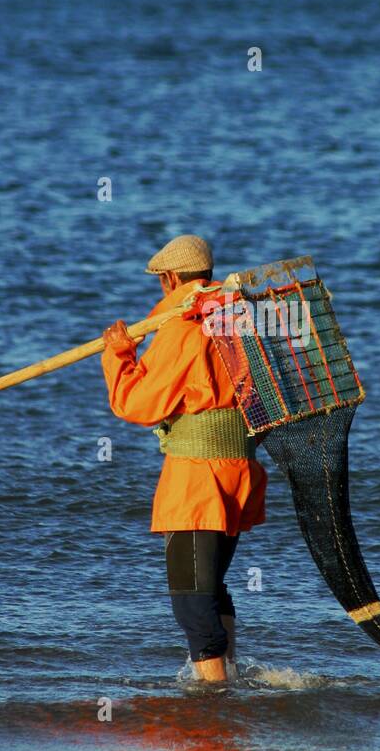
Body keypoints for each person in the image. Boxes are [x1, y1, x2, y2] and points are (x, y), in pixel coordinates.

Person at [101, 235, 267, 683]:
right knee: (210, 588)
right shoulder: (237, 316)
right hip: (239, 472)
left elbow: (137, 403)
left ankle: (216, 703)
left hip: (199, 478)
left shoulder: (182, 326)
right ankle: (230, 680)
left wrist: (119, 354)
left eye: (161, 282)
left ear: (170, 279)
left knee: (192, 601)